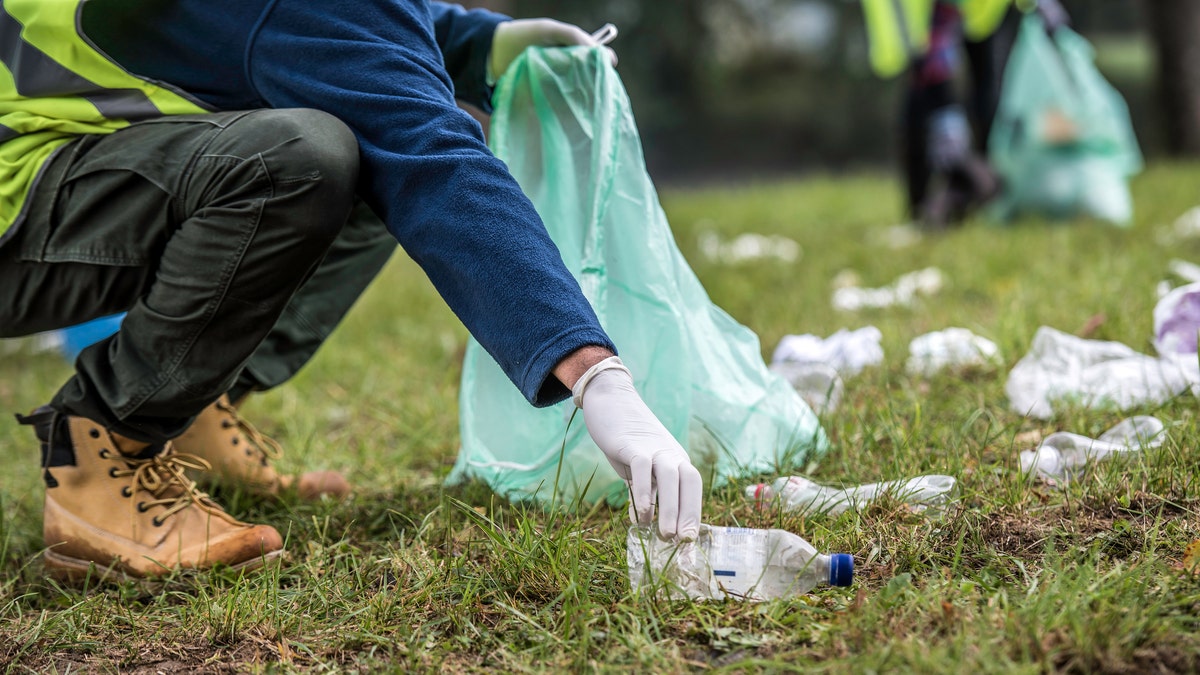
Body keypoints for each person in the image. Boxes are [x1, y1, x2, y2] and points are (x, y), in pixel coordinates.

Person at [0, 0, 703, 581]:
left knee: (349, 145)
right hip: (16, 210)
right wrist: (594, 374)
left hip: (51, 168)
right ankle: (105, 447)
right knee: (300, 158)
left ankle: (194, 412)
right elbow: (426, 151)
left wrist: (482, 42)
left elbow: (322, 26)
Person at [861, 0, 1068, 228]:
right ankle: (927, 205)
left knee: (987, 89)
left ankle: (977, 194)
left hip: (980, 12)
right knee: (930, 91)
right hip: (927, 15)